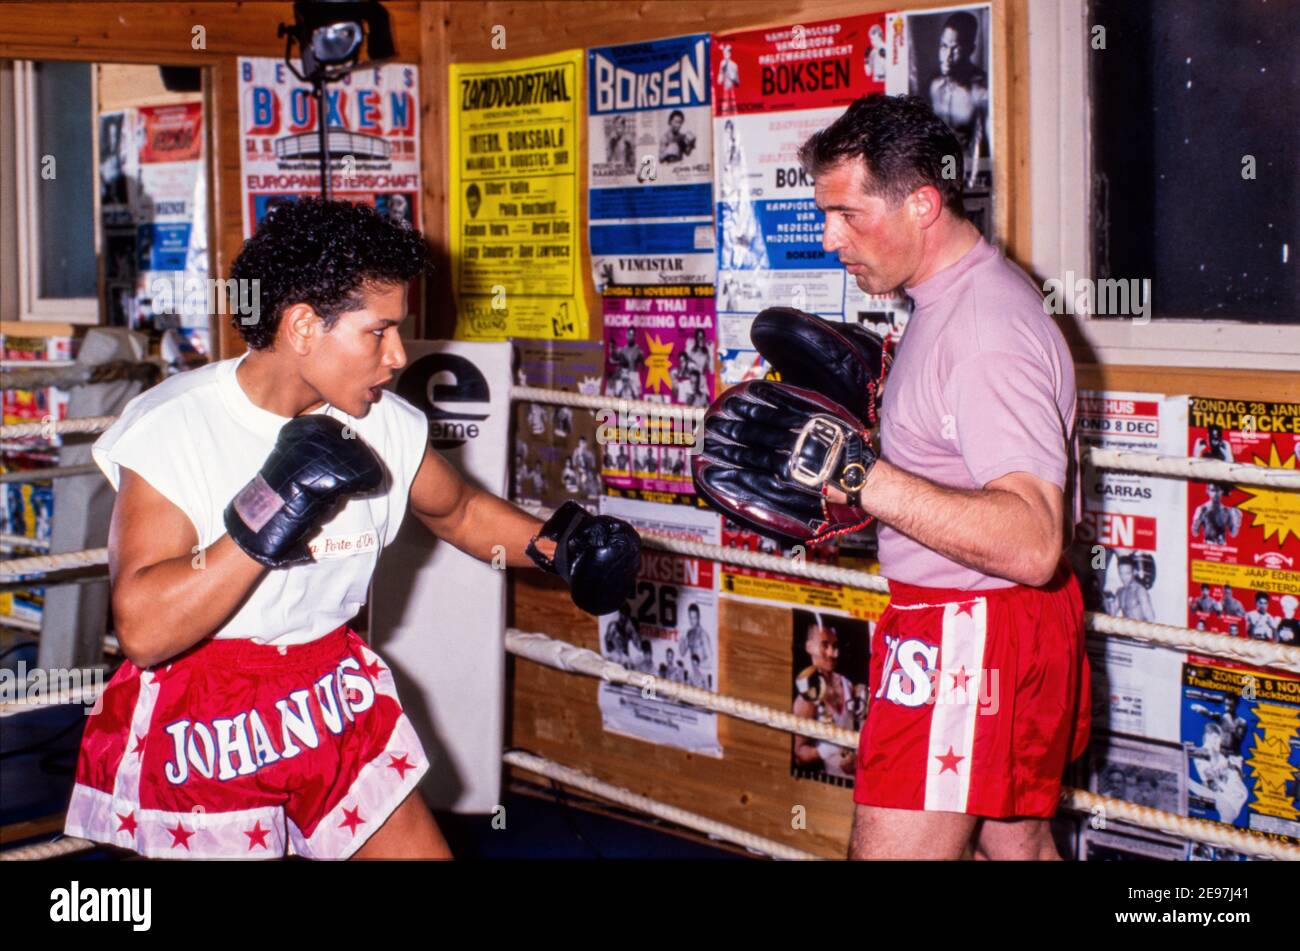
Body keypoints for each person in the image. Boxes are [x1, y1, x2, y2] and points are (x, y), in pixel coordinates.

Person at [63, 199, 640, 861]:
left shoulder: (383, 423)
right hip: (205, 711)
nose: (398, 355)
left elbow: (458, 512)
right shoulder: (178, 425)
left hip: (327, 690)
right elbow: (143, 629)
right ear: (304, 326)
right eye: (379, 331)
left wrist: (560, 546)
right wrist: (268, 506)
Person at [797, 94, 1088, 859]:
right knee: (1017, 846)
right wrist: (869, 477)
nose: (831, 238)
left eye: (848, 214)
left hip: (973, 630)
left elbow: (1032, 540)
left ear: (923, 202)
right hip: (990, 624)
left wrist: (863, 475)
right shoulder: (945, 301)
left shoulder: (986, 328)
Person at [926, 12, 988, 189]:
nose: (947, 57)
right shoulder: (934, 88)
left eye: (955, 49)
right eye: (943, 46)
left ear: (970, 49)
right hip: (940, 184)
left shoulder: (980, 92)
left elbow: (985, 148)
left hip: (971, 184)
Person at [792, 620, 858, 780]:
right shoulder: (807, 698)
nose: (833, 653)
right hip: (832, 783)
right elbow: (798, 755)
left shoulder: (847, 684)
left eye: (835, 646)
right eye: (825, 645)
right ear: (809, 647)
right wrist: (824, 750)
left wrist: (856, 757)